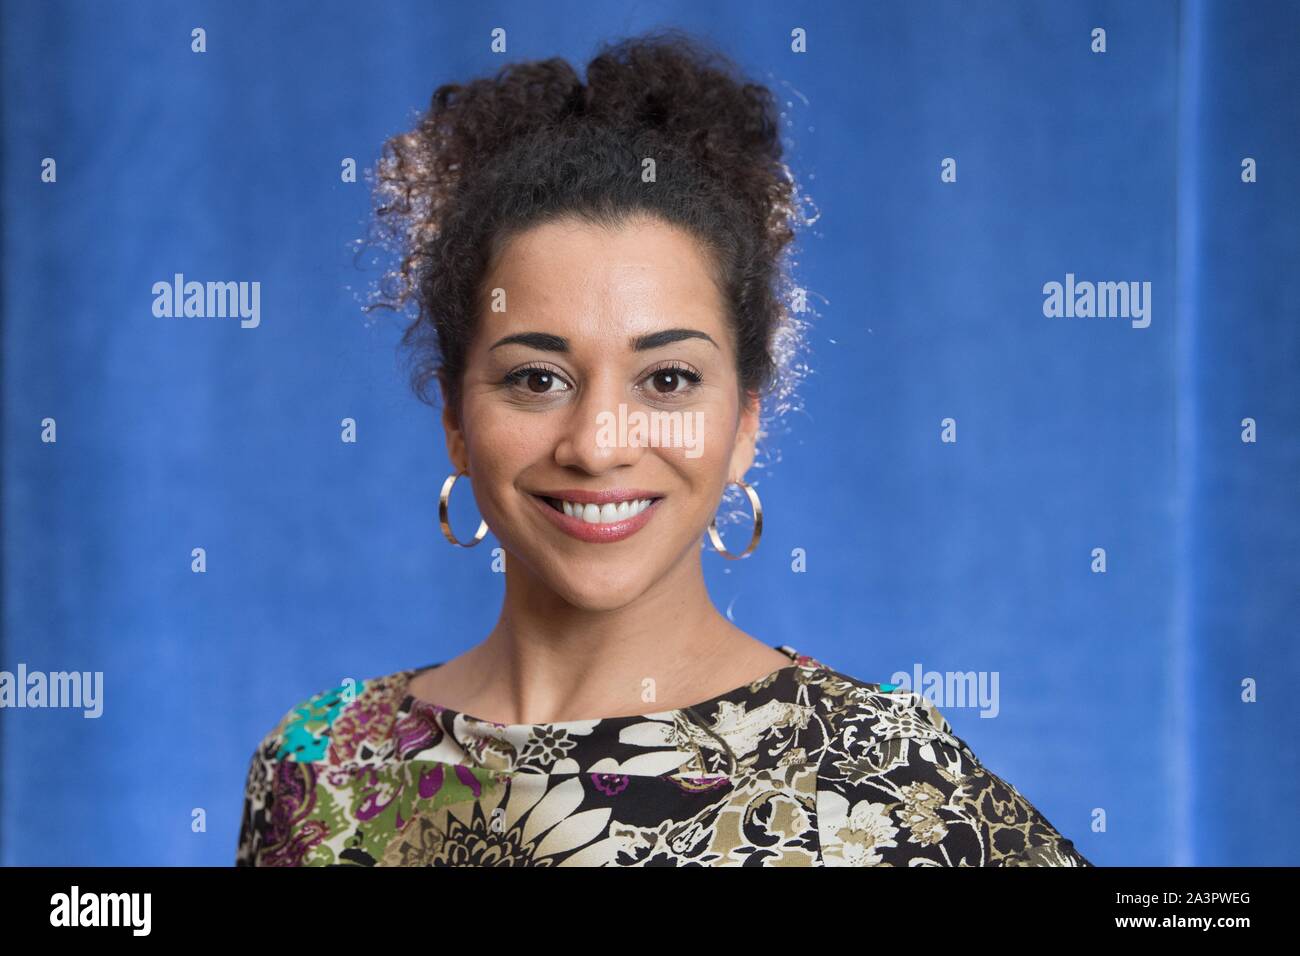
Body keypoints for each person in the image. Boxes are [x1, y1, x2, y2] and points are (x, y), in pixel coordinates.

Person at [236, 29, 1091, 867]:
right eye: (537, 379)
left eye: (669, 380)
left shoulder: (883, 785)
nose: (598, 445)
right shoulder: (316, 764)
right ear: (455, 421)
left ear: (746, 420)